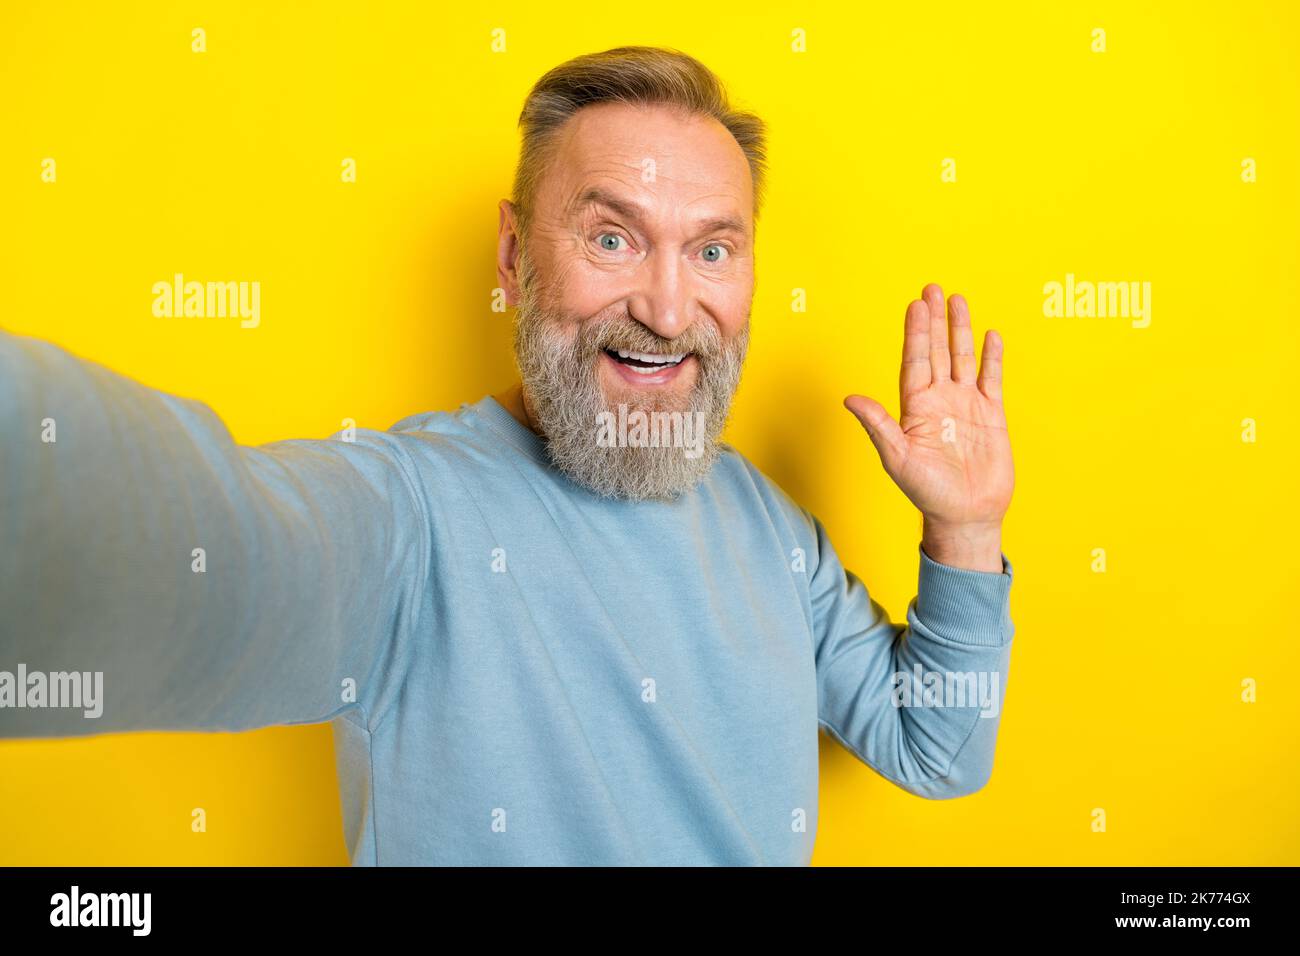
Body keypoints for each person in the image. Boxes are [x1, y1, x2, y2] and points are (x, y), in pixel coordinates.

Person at [0, 45, 1016, 865]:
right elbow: (216, 543)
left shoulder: (763, 521)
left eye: (711, 249)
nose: (667, 310)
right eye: (611, 238)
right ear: (512, 255)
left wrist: (964, 529)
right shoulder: (411, 516)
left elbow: (936, 747)